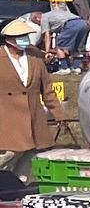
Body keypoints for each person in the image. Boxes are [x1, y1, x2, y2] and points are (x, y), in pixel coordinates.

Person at [0, 12, 59, 186]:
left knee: (29, 158)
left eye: (26, 35)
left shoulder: (35, 56)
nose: (25, 39)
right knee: (8, 155)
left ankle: (18, 191)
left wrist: (59, 114)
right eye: (21, 36)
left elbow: (47, 88)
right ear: (9, 40)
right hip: (8, 118)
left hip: (33, 118)